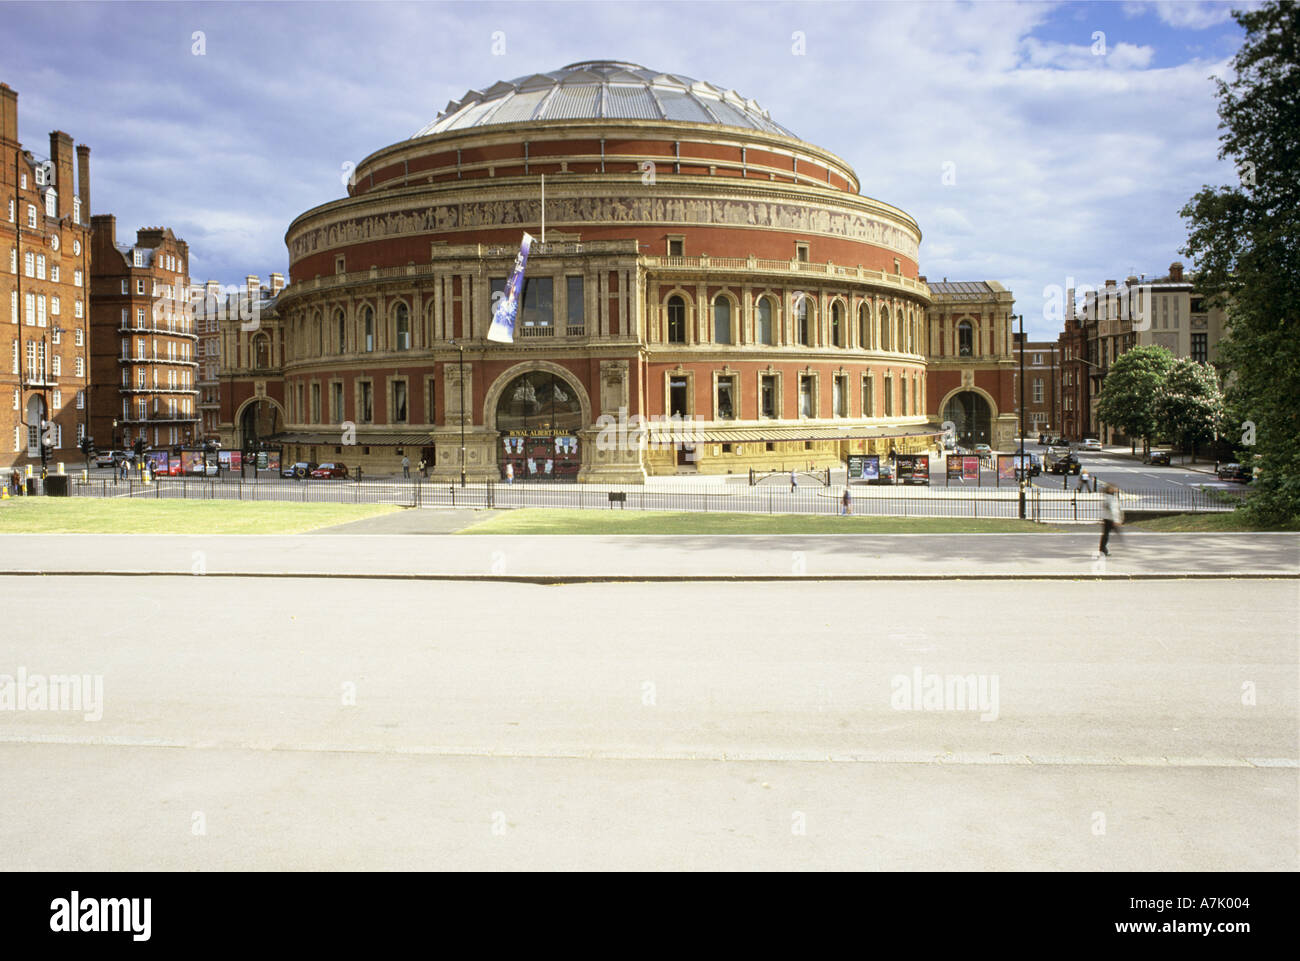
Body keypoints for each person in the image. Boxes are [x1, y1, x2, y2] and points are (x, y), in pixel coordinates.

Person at [1099, 482, 1123, 556]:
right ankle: (1103, 549)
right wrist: (1116, 520)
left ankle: (1103, 549)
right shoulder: (1111, 498)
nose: (1116, 489)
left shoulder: (1107, 497)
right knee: (1107, 535)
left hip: (1106, 518)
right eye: (1114, 488)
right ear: (1110, 490)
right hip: (1110, 519)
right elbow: (1114, 510)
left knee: (1106, 534)